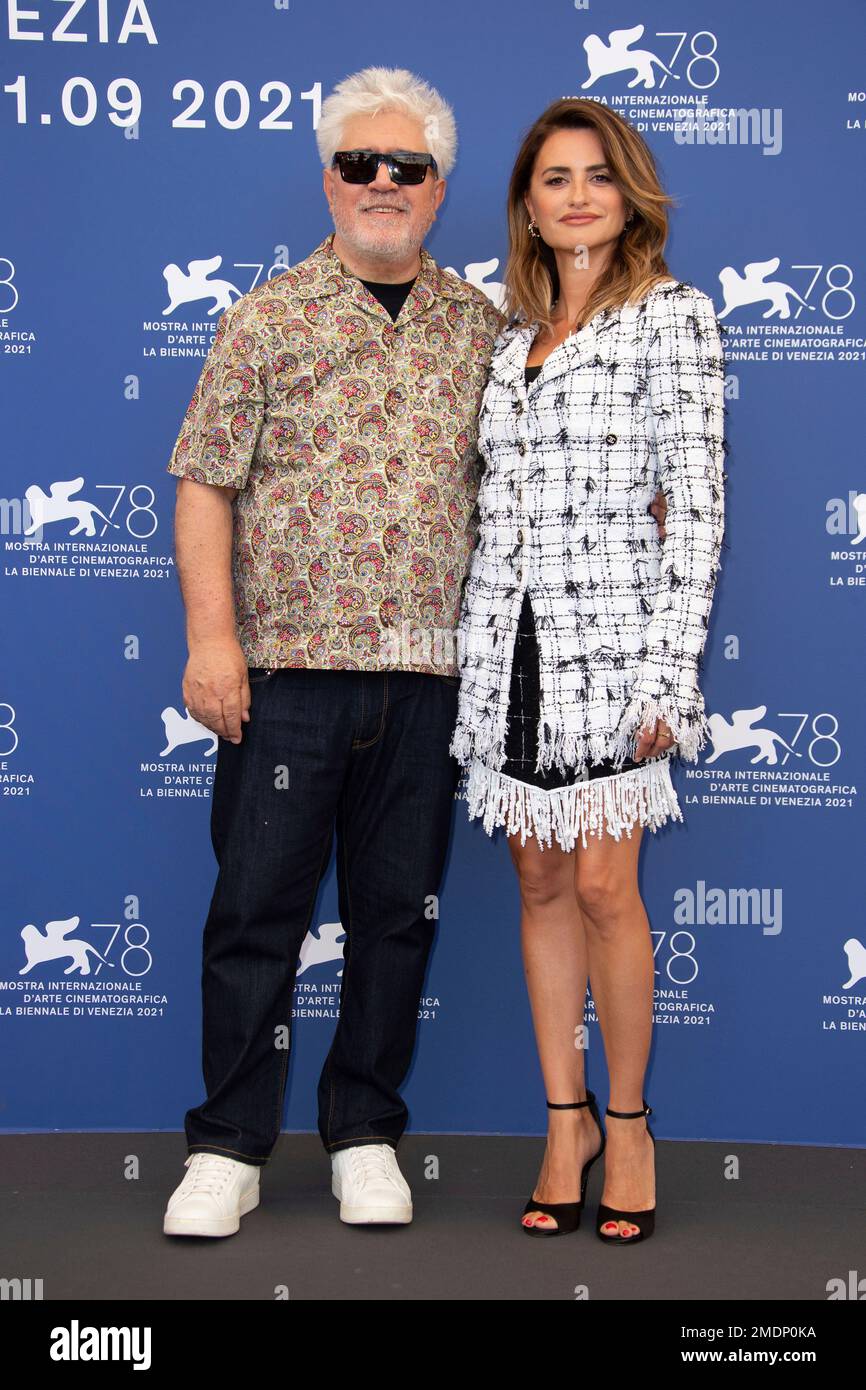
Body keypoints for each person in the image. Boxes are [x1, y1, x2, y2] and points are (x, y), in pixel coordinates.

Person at [160, 66, 508, 1237]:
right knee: (255, 910)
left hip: (427, 682)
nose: (379, 184)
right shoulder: (265, 318)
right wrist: (212, 639)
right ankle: (228, 1147)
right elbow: (204, 483)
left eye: (403, 167)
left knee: (395, 915)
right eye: (358, 163)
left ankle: (365, 1131)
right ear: (326, 178)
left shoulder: (483, 327)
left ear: (437, 187)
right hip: (286, 679)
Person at [448, 98, 728, 1242]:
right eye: (552, 177)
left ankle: (627, 1123)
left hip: (615, 653)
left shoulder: (674, 319)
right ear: (526, 201)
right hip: (505, 648)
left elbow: (697, 508)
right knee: (538, 884)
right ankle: (559, 1122)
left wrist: (667, 672)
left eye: (595, 177)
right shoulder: (505, 340)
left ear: (629, 197)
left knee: (609, 886)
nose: (574, 196)